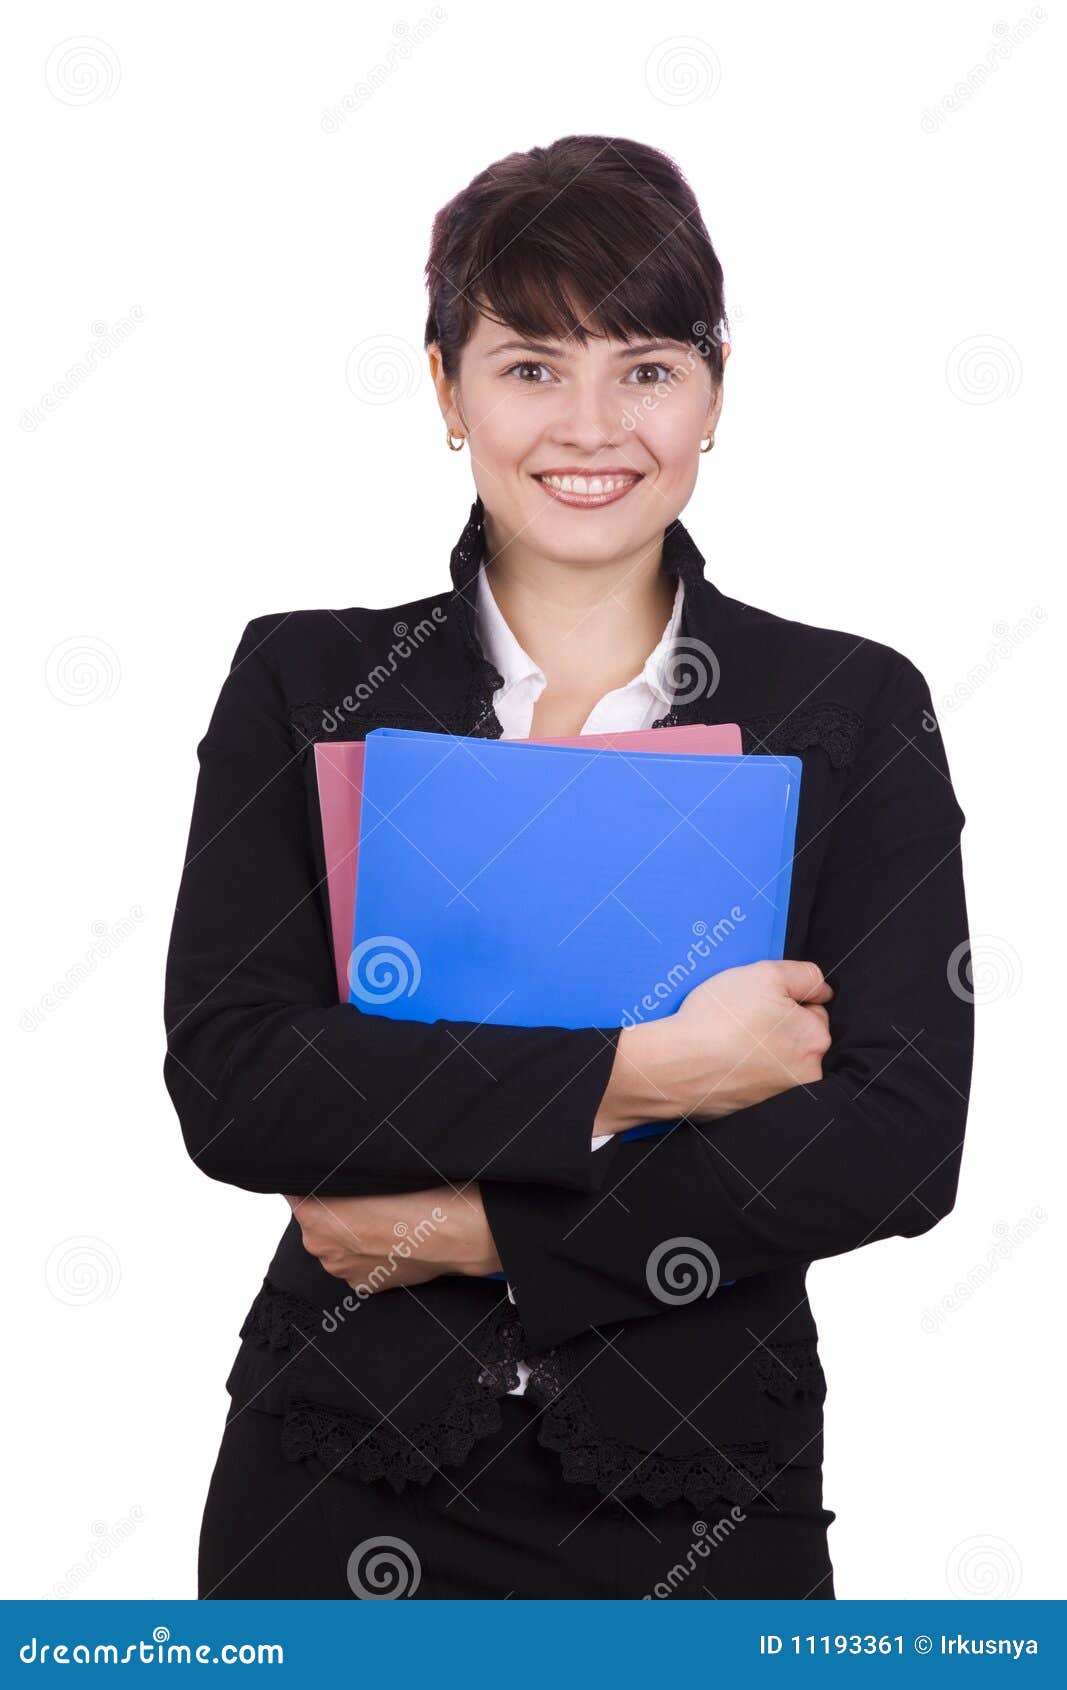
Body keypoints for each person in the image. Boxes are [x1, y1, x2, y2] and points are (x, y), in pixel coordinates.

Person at [163, 134, 973, 1600]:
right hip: (335, 1478)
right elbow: (241, 1080)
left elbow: (897, 1141)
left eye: (646, 368)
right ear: (446, 389)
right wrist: (648, 1072)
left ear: (715, 391)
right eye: (530, 365)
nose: (591, 425)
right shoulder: (310, 683)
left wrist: (481, 1230)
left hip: (705, 1490)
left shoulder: (850, 707)